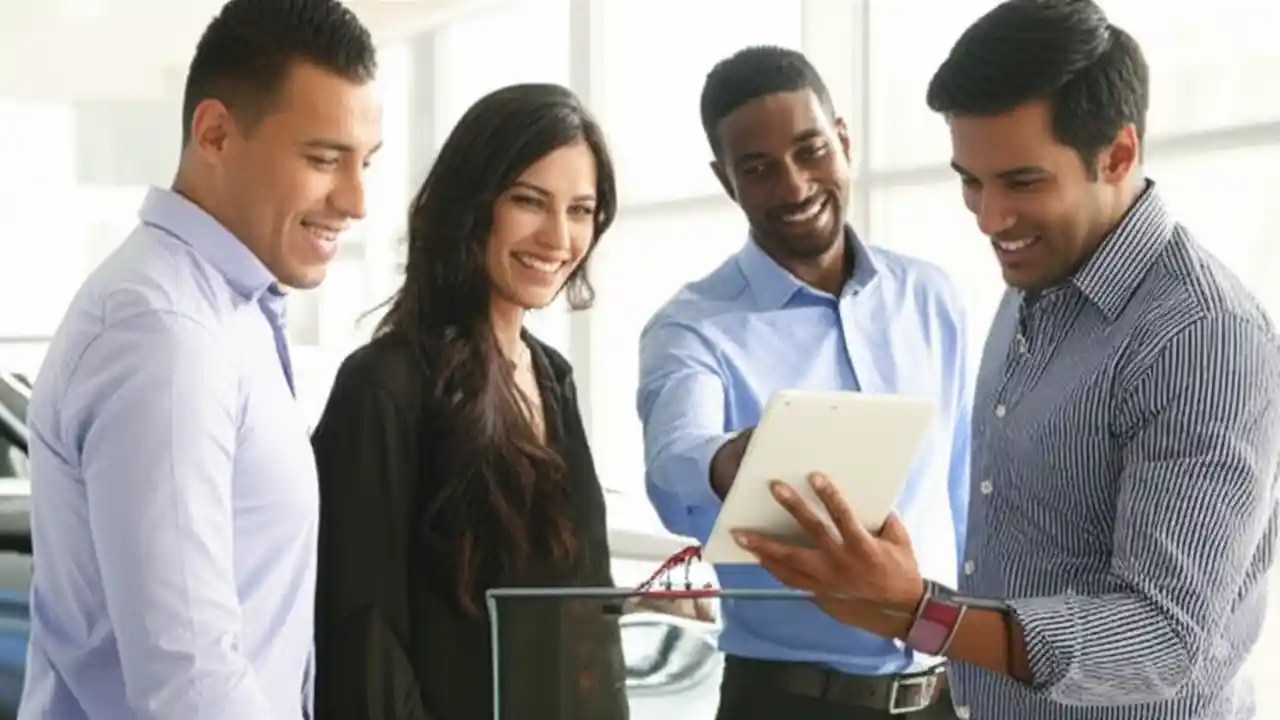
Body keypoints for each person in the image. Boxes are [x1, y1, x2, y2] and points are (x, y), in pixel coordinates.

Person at [735, 2, 1280, 719]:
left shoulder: (1201, 335)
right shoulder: (1036, 280)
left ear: (1118, 155)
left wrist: (919, 612)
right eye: (971, 180)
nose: (989, 219)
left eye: (1023, 182)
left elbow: (1161, 640)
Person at [17, 1, 381, 718]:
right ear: (214, 133)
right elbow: (189, 681)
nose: (356, 200)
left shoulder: (223, 310)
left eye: (364, 162)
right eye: (323, 159)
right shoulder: (166, 331)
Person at [636, 46, 971, 719]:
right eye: (757, 168)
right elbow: (675, 461)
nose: (793, 187)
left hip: (943, 693)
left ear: (843, 141)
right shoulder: (692, 327)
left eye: (810, 151)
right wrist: (736, 460)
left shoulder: (929, 296)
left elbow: (966, 491)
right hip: (788, 702)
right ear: (726, 180)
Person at [310, 83, 626, 720]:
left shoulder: (552, 378)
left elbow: (588, 609)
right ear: (472, 207)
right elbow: (363, 639)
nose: (558, 237)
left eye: (581, 210)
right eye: (529, 201)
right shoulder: (384, 385)